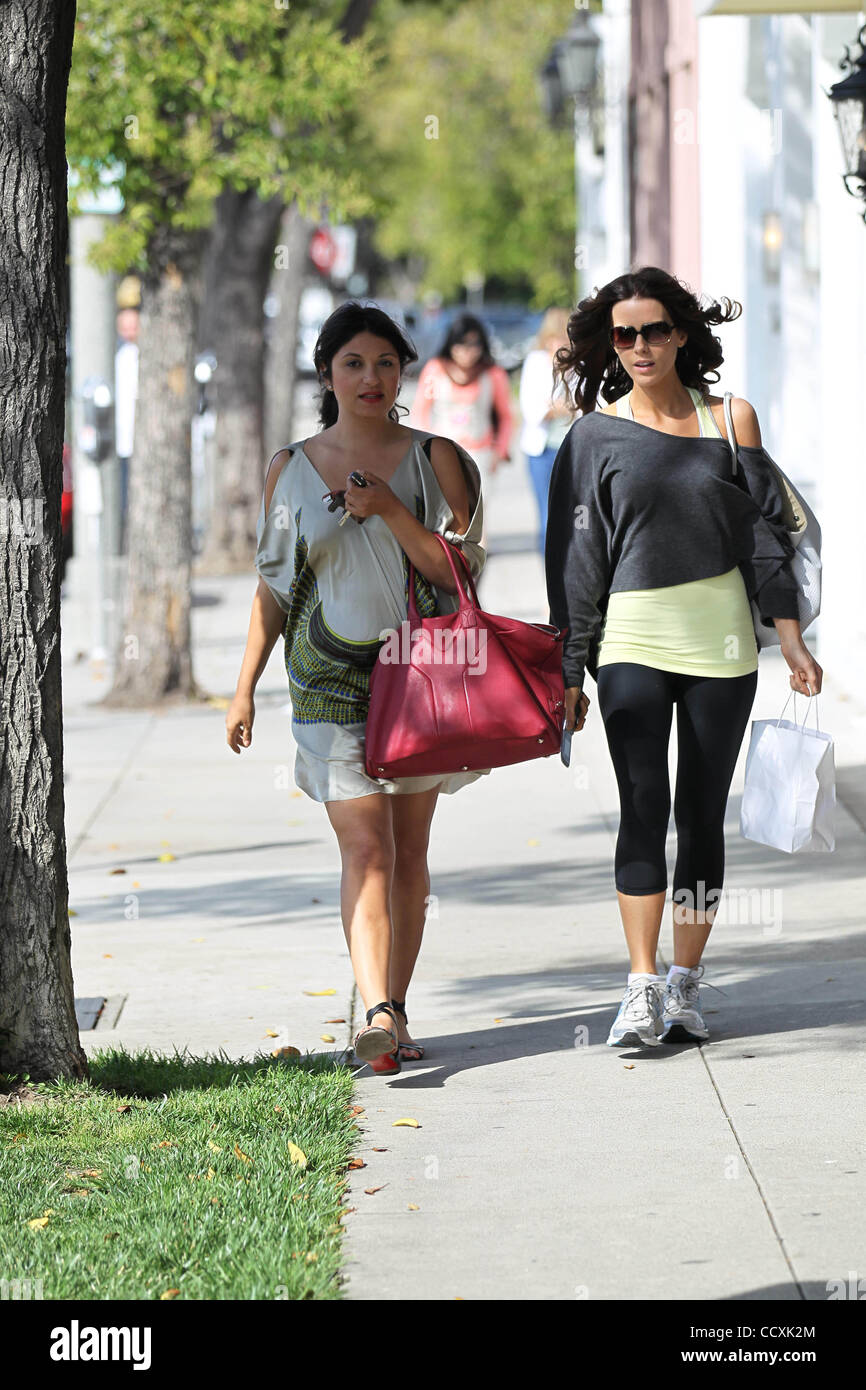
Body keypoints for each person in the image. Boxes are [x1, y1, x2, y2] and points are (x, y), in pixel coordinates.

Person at [545, 266, 823, 1049]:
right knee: (643, 803)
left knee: (701, 814)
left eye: (654, 330)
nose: (639, 346)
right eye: (624, 333)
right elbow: (574, 559)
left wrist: (792, 639)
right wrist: (570, 668)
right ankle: (639, 986)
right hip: (629, 637)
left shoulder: (731, 419)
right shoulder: (593, 435)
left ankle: (685, 985)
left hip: (723, 641)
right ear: (612, 340)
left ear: (682, 335)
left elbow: (765, 538)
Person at [226, 302, 487, 1074]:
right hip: (326, 678)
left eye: (384, 363)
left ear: (402, 372)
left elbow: (461, 572)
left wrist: (393, 511)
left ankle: (395, 1008)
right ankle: (376, 1009)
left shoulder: (437, 459)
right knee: (366, 847)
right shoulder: (291, 468)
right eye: (353, 364)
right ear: (327, 375)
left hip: (422, 676)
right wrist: (243, 689)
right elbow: (273, 588)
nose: (371, 378)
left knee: (409, 850)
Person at [411, 313, 512, 546]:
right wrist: (425, 450)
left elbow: (506, 416)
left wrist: (500, 450)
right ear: (450, 345)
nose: (467, 352)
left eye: (473, 345)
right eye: (461, 344)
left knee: (477, 523)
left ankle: (474, 575)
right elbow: (420, 411)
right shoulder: (435, 370)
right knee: (445, 519)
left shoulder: (492, 374)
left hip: (480, 455)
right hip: (443, 455)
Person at [518, 308, 573, 554]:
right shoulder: (536, 362)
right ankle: (550, 576)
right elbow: (531, 410)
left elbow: (586, 406)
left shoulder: (578, 365)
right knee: (547, 517)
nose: (558, 345)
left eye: (563, 340)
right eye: (554, 339)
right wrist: (558, 408)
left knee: (575, 517)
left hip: (572, 450)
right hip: (542, 450)